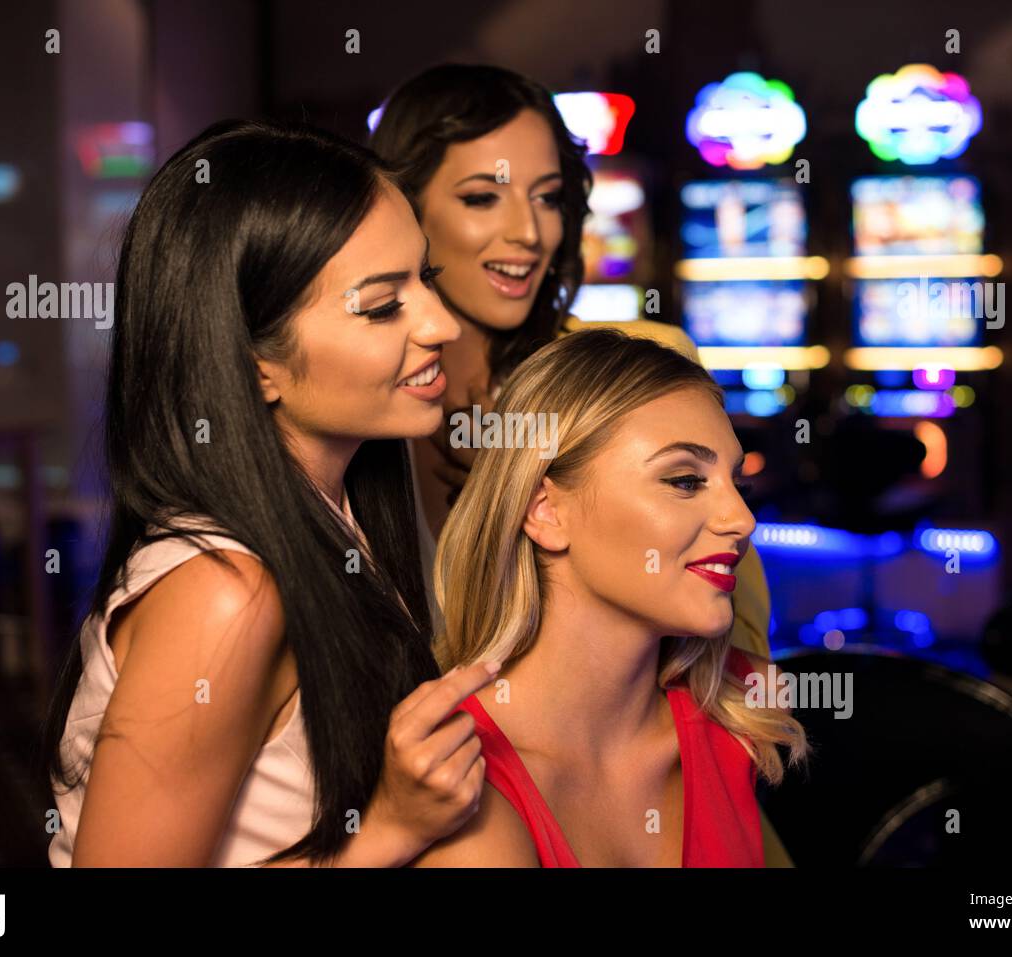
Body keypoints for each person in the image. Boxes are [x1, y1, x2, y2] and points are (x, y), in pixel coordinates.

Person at [40, 119, 497, 867]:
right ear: (254, 364)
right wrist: (389, 830)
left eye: (429, 282)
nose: (442, 324)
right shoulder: (224, 594)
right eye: (383, 305)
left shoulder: (345, 516)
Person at [372, 64, 792, 863]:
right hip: (443, 802)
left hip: (666, 791)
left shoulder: (635, 371)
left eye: (549, 195)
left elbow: (731, 628)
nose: (529, 233)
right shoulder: (366, 418)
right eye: (482, 196)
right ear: (403, 211)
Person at [415, 330, 809, 866]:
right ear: (546, 511)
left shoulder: (738, 717)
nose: (742, 520)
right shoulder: (455, 780)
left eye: (735, 481)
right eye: (685, 481)